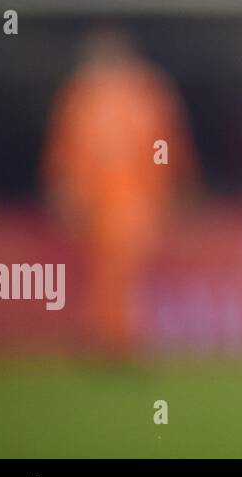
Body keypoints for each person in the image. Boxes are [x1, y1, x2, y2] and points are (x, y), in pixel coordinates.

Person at [42, 27, 197, 357]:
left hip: (137, 197)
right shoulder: (85, 96)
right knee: (110, 270)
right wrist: (67, 191)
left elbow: (167, 145)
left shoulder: (144, 93)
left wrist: (171, 185)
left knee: (123, 269)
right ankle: (111, 336)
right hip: (105, 199)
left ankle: (114, 336)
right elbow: (68, 153)